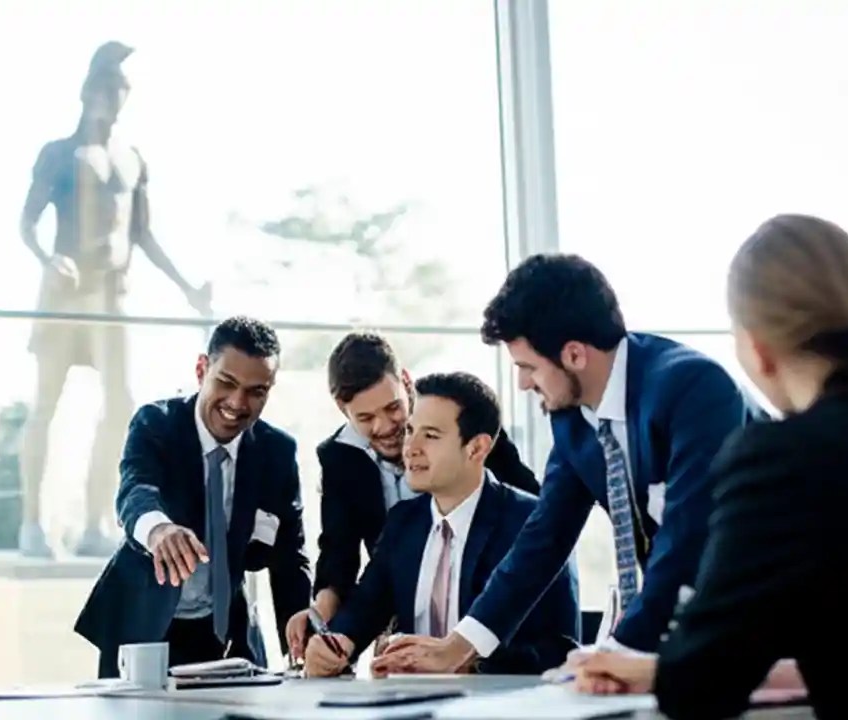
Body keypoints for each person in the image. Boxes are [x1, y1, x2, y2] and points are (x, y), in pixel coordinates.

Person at [571, 215, 848, 719]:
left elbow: (703, 684)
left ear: (758, 348)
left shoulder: (783, 461)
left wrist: (668, 667)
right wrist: (660, 666)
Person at [373, 254, 762, 676]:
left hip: (779, 611)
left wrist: (620, 652)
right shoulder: (573, 418)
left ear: (574, 354)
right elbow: (543, 538)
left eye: (528, 367)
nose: (522, 384)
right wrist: (460, 645)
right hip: (702, 629)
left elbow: (686, 536)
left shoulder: (694, 388)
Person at [17, 40, 212, 558]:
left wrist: (187, 287)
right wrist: (46, 258)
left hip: (112, 295)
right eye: (105, 88)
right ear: (87, 92)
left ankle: (97, 518)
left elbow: (143, 235)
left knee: (121, 405)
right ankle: (32, 521)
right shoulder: (59, 152)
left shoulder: (131, 160)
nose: (112, 99)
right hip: (64, 292)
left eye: (120, 90)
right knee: (47, 405)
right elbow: (27, 221)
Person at [74, 316, 312, 678]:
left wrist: (301, 649)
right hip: (144, 627)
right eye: (227, 383)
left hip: (223, 633)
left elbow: (289, 558)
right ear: (202, 369)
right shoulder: (157, 424)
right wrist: (159, 531)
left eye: (256, 391)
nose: (237, 402)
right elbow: (135, 490)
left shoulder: (276, 452)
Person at [303, 372, 579, 678]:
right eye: (410, 430)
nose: (410, 447)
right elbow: (365, 606)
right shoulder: (403, 521)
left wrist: (469, 663)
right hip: (411, 705)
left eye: (431, 435)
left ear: (476, 448)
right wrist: (336, 643)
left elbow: (561, 649)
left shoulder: (531, 524)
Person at [286, 332, 540, 659]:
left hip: (483, 618)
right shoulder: (343, 462)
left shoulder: (461, 419)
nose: (386, 427)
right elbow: (340, 552)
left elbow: (533, 518)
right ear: (343, 410)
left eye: (393, 408)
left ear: (405, 382)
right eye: (365, 418)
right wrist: (326, 623)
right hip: (401, 619)